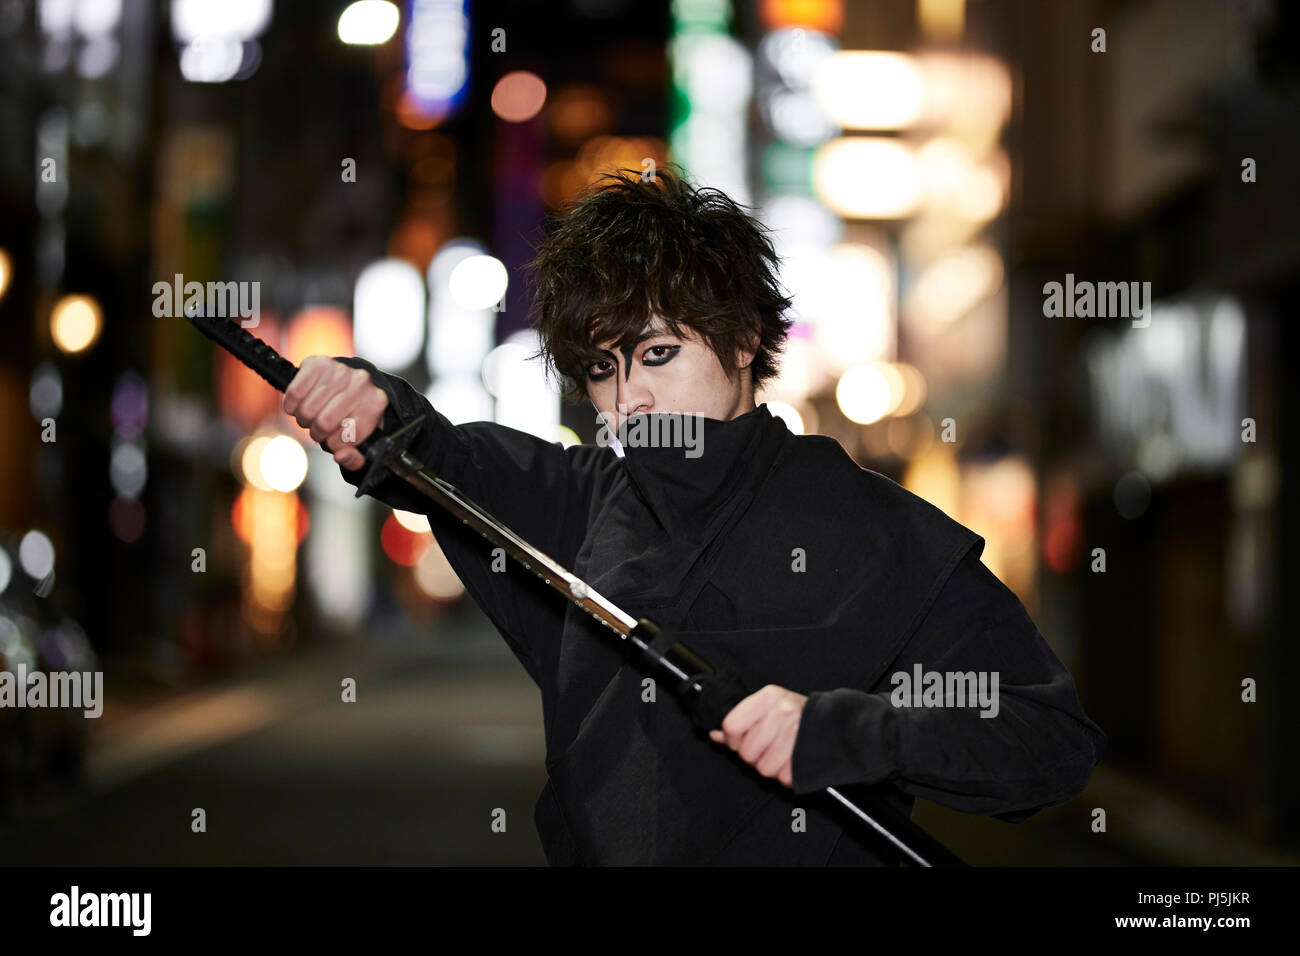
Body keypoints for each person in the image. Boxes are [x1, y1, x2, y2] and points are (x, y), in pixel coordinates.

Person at [281, 165, 1107, 865]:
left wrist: (851, 732)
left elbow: (1047, 738)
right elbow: (439, 456)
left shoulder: (885, 536)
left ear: (745, 337)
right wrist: (369, 401)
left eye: (659, 353)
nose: (630, 396)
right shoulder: (578, 504)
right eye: (602, 368)